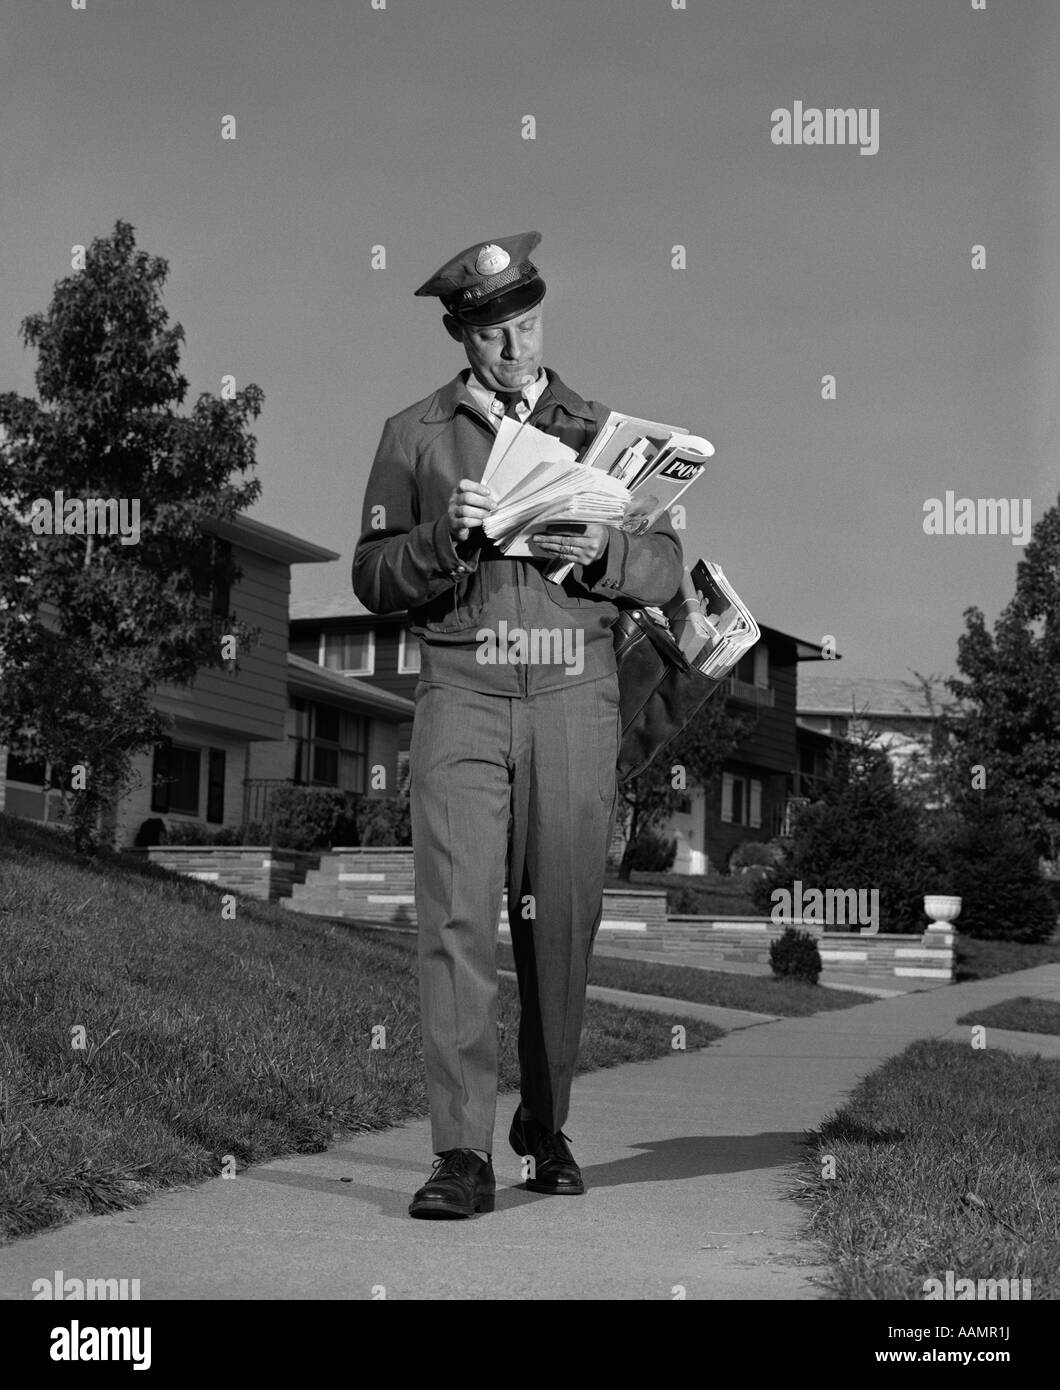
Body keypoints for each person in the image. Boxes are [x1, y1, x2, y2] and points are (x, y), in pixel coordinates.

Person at [352, 232, 683, 1218]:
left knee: (561, 922)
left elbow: (665, 567)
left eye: (528, 325)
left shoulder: (603, 431)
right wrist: (435, 541)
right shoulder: (411, 434)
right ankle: (461, 1154)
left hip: (576, 691)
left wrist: (605, 554)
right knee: (455, 918)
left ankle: (543, 1124)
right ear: (461, 333)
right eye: (494, 333)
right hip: (463, 687)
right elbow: (370, 578)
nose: (515, 349)